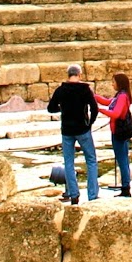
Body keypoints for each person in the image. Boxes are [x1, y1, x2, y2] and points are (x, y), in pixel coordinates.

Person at [47, 64, 99, 204]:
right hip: (83, 129)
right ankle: (93, 195)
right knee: (91, 161)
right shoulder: (85, 89)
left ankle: (74, 195)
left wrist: (63, 108)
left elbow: (50, 108)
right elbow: (95, 108)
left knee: (69, 163)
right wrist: (90, 123)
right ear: (80, 74)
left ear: (68, 75)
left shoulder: (61, 90)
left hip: (67, 131)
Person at [95, 72, 132, 197]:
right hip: (118, 131)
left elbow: (116, 113)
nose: (112, 84)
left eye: (113, 82)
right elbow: (107, 102)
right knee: (123, 158)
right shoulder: (120, 95)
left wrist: (99, 110)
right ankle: (125, 185)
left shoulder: (122, 97)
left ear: (119, 83)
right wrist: (93, 96)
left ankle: (125, 188)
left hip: (119, 132)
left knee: (122, 160)